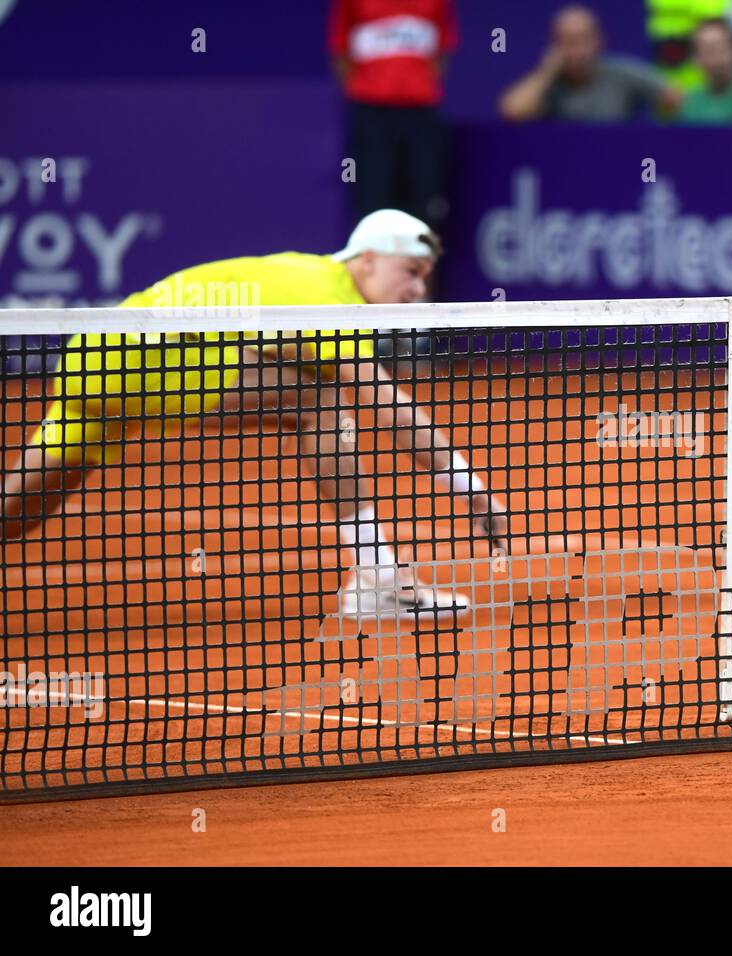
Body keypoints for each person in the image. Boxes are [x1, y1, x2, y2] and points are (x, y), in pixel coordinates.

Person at [0, 210, 508, 622]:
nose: (418, 290)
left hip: (92, 361)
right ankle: (378, 579)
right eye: (411, 272)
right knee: (323, 401)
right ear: (369, 260)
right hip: (144, 361)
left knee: (16, 511)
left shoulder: (299, 278)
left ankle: (376, 579)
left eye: (425, 277)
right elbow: (386, 405)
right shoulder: (327, 295)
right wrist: (470, 485)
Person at [328, 0, 459, 230]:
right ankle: (372, 263)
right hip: (371, 113)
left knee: (425, 195)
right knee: (372, 197)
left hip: (421, 111)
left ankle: (421, 264)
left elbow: (441, 53)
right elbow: (340, 51)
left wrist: (417, 86)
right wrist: (367, 88)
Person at [498, 4, 681, 122]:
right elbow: (512, 112)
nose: (576, 51)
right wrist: (546, 71)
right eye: (567, 41)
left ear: (598, 42)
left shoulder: (622, 73)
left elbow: (674, 97)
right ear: (554, 45)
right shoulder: (547, 82)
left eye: (582, 40)